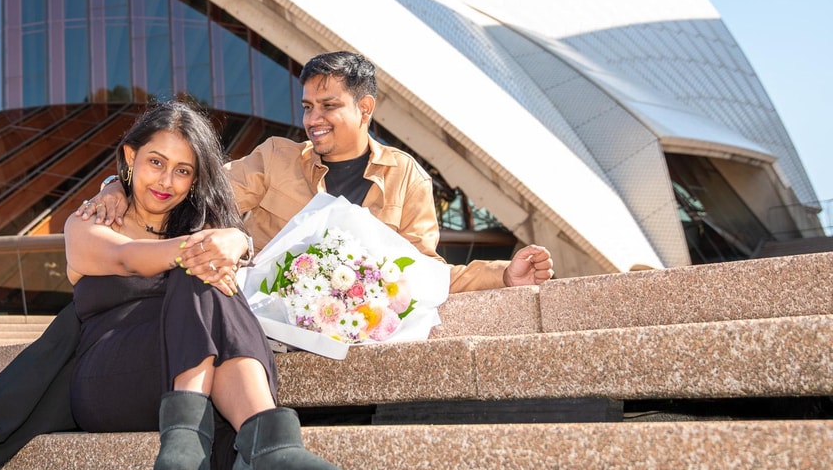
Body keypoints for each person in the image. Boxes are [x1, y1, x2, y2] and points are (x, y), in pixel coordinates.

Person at [0, 101, 360, 470]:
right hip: (107, 378)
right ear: (131, 157)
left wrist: (236, 240)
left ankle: (253, 451)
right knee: (195, 269)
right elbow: (132, 259)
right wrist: (219, 242)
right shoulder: (91, 223)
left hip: (190, 377)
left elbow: (210, 254)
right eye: (156, 162)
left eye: (183, 170)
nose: (167, 181)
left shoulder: (199, 233)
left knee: (201, 281)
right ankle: (259, 449)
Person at [81, 51, 554, 294]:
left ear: (364, 107)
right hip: (261, 314)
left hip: (352, 324)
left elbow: (420, 272)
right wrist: (115, 188)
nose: (313, 119)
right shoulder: (275, 157)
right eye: (308, 106)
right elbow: (189, 189)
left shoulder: (406, 176)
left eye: (329, 105)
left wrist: (502, 275)